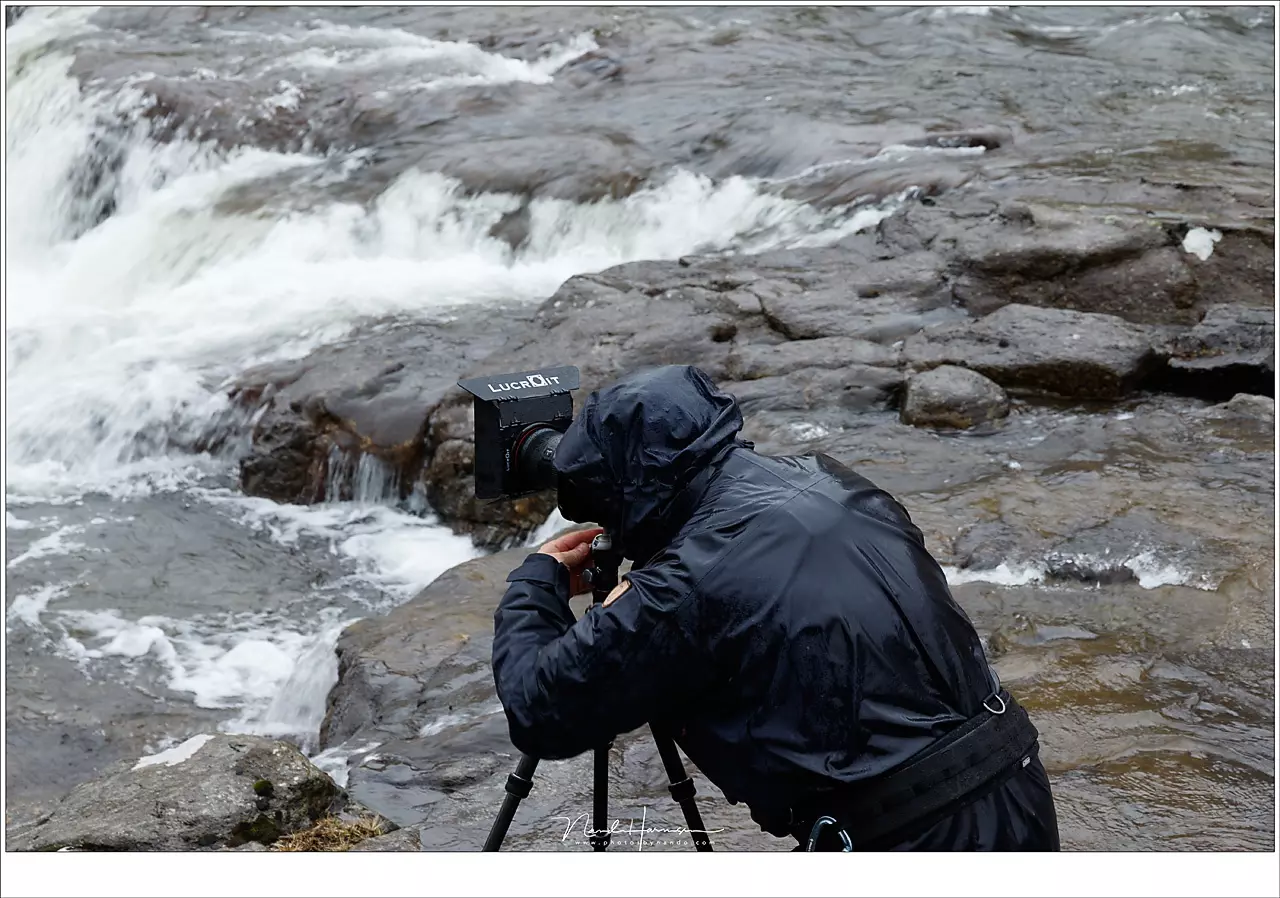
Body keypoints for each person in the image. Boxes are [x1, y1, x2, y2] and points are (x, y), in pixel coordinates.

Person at [490, 364, 1060, 851]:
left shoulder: (685, 582)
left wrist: (537, 583)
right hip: (1017, 779)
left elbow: (540, 712)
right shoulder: (831, 479)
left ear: (623, 485)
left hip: (910, 838)